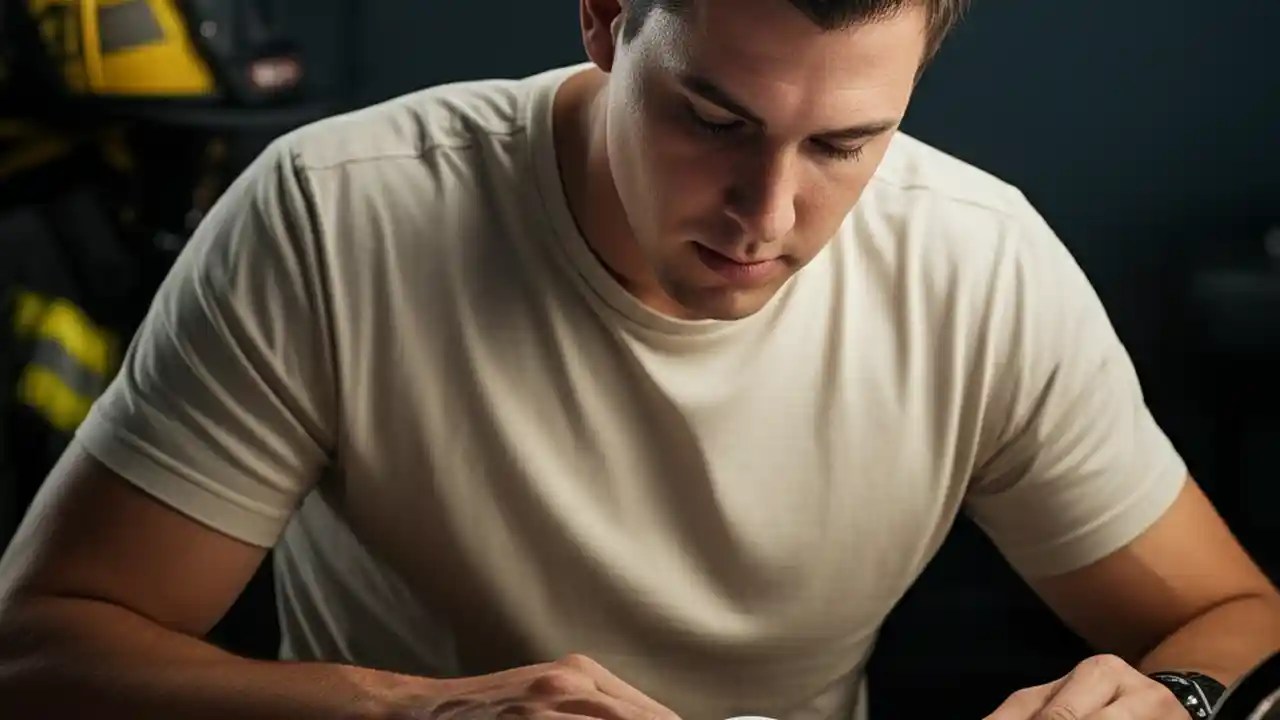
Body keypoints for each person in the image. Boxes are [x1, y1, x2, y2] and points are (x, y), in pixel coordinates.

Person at [0, 0, 1277, 718]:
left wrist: (1171, 701)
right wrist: (420, 714)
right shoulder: (336, 214)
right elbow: (45, 647)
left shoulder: (980, 262)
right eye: (712, 121)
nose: (764, 214)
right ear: (607, 16)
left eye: (844, 143)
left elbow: (1232, 616)